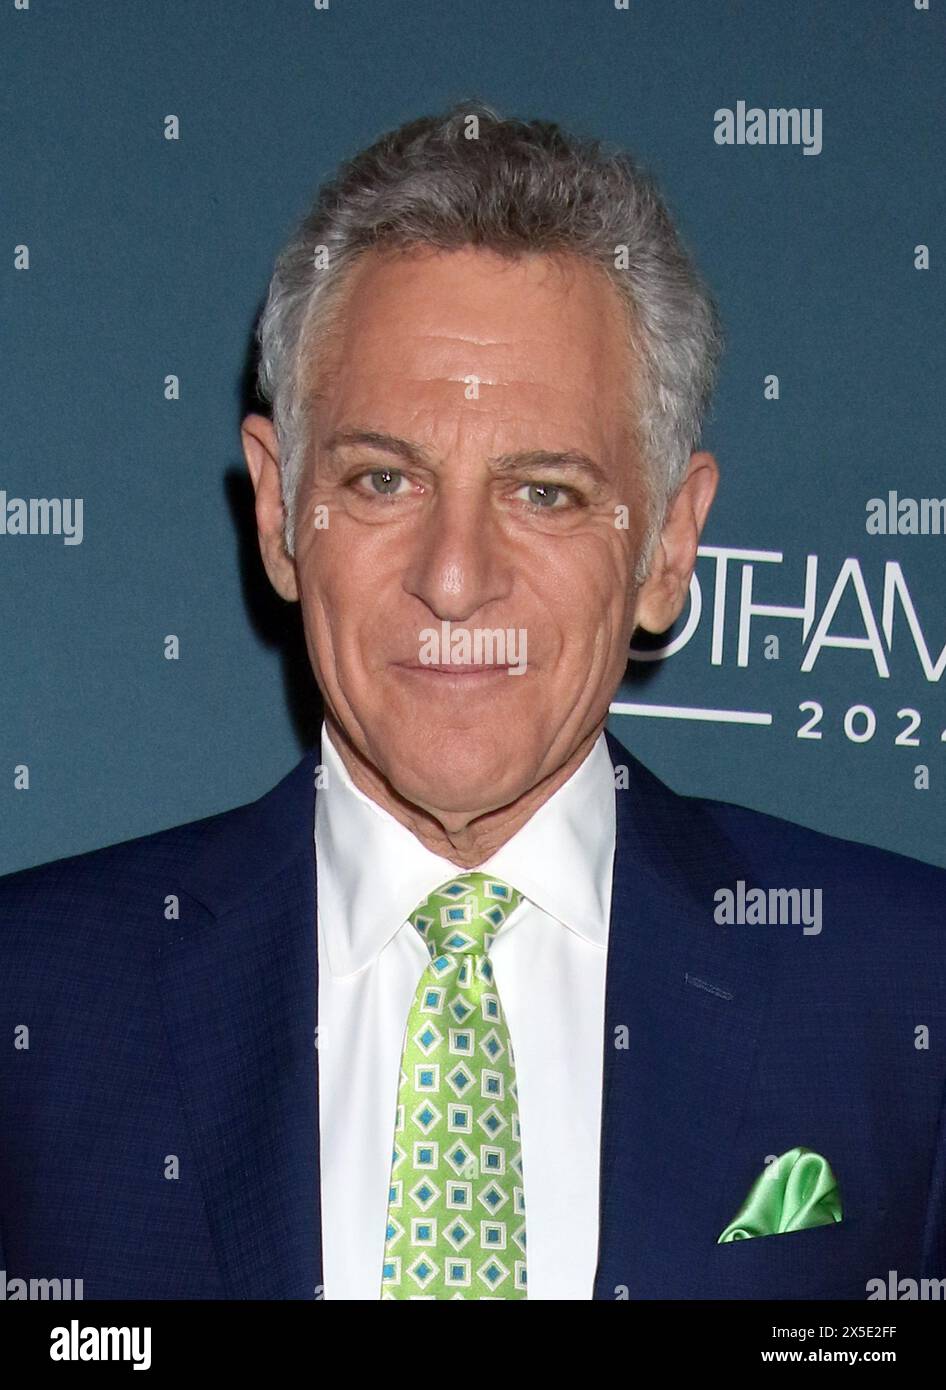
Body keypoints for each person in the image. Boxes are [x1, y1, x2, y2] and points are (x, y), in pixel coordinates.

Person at [2, 102, 944, 1301]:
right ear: (280, 514)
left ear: (666, 545)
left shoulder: (909, 994)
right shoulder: (30, 1003)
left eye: (544, 492)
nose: (454, 576)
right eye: (383, 478)